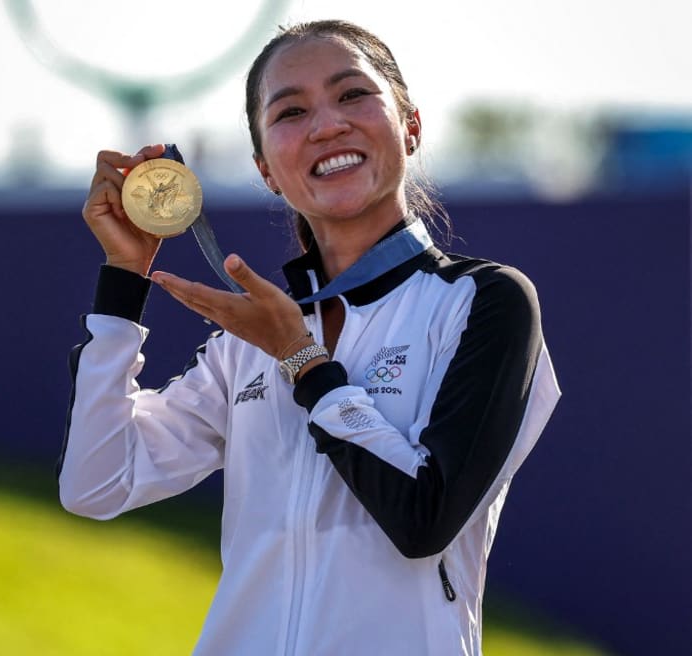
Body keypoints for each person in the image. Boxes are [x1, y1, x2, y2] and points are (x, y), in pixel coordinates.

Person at [58, 19, 560, 656]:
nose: (327, 125)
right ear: (267, 169)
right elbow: (96, 484)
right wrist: (124, 281)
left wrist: (304, 361)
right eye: (291, 111)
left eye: (353, 95)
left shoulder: (484, 301)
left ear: (411, 125)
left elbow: (422, 517)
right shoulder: (248, 343)